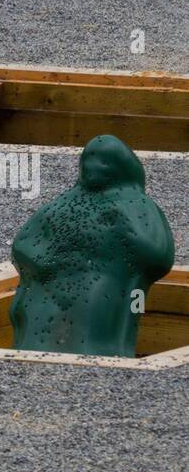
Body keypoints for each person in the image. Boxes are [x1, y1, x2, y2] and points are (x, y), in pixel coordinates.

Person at [10, 134, 175, 357]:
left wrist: (124, 229)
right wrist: (44, 262)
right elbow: (23, 244)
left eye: (103, 162)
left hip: (106, 286)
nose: (91, 168)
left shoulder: (137, 204)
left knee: (92, 326)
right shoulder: (65, 203)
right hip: (51, 287)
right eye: (87, 161)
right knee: (41, 322)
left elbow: (159, 256)